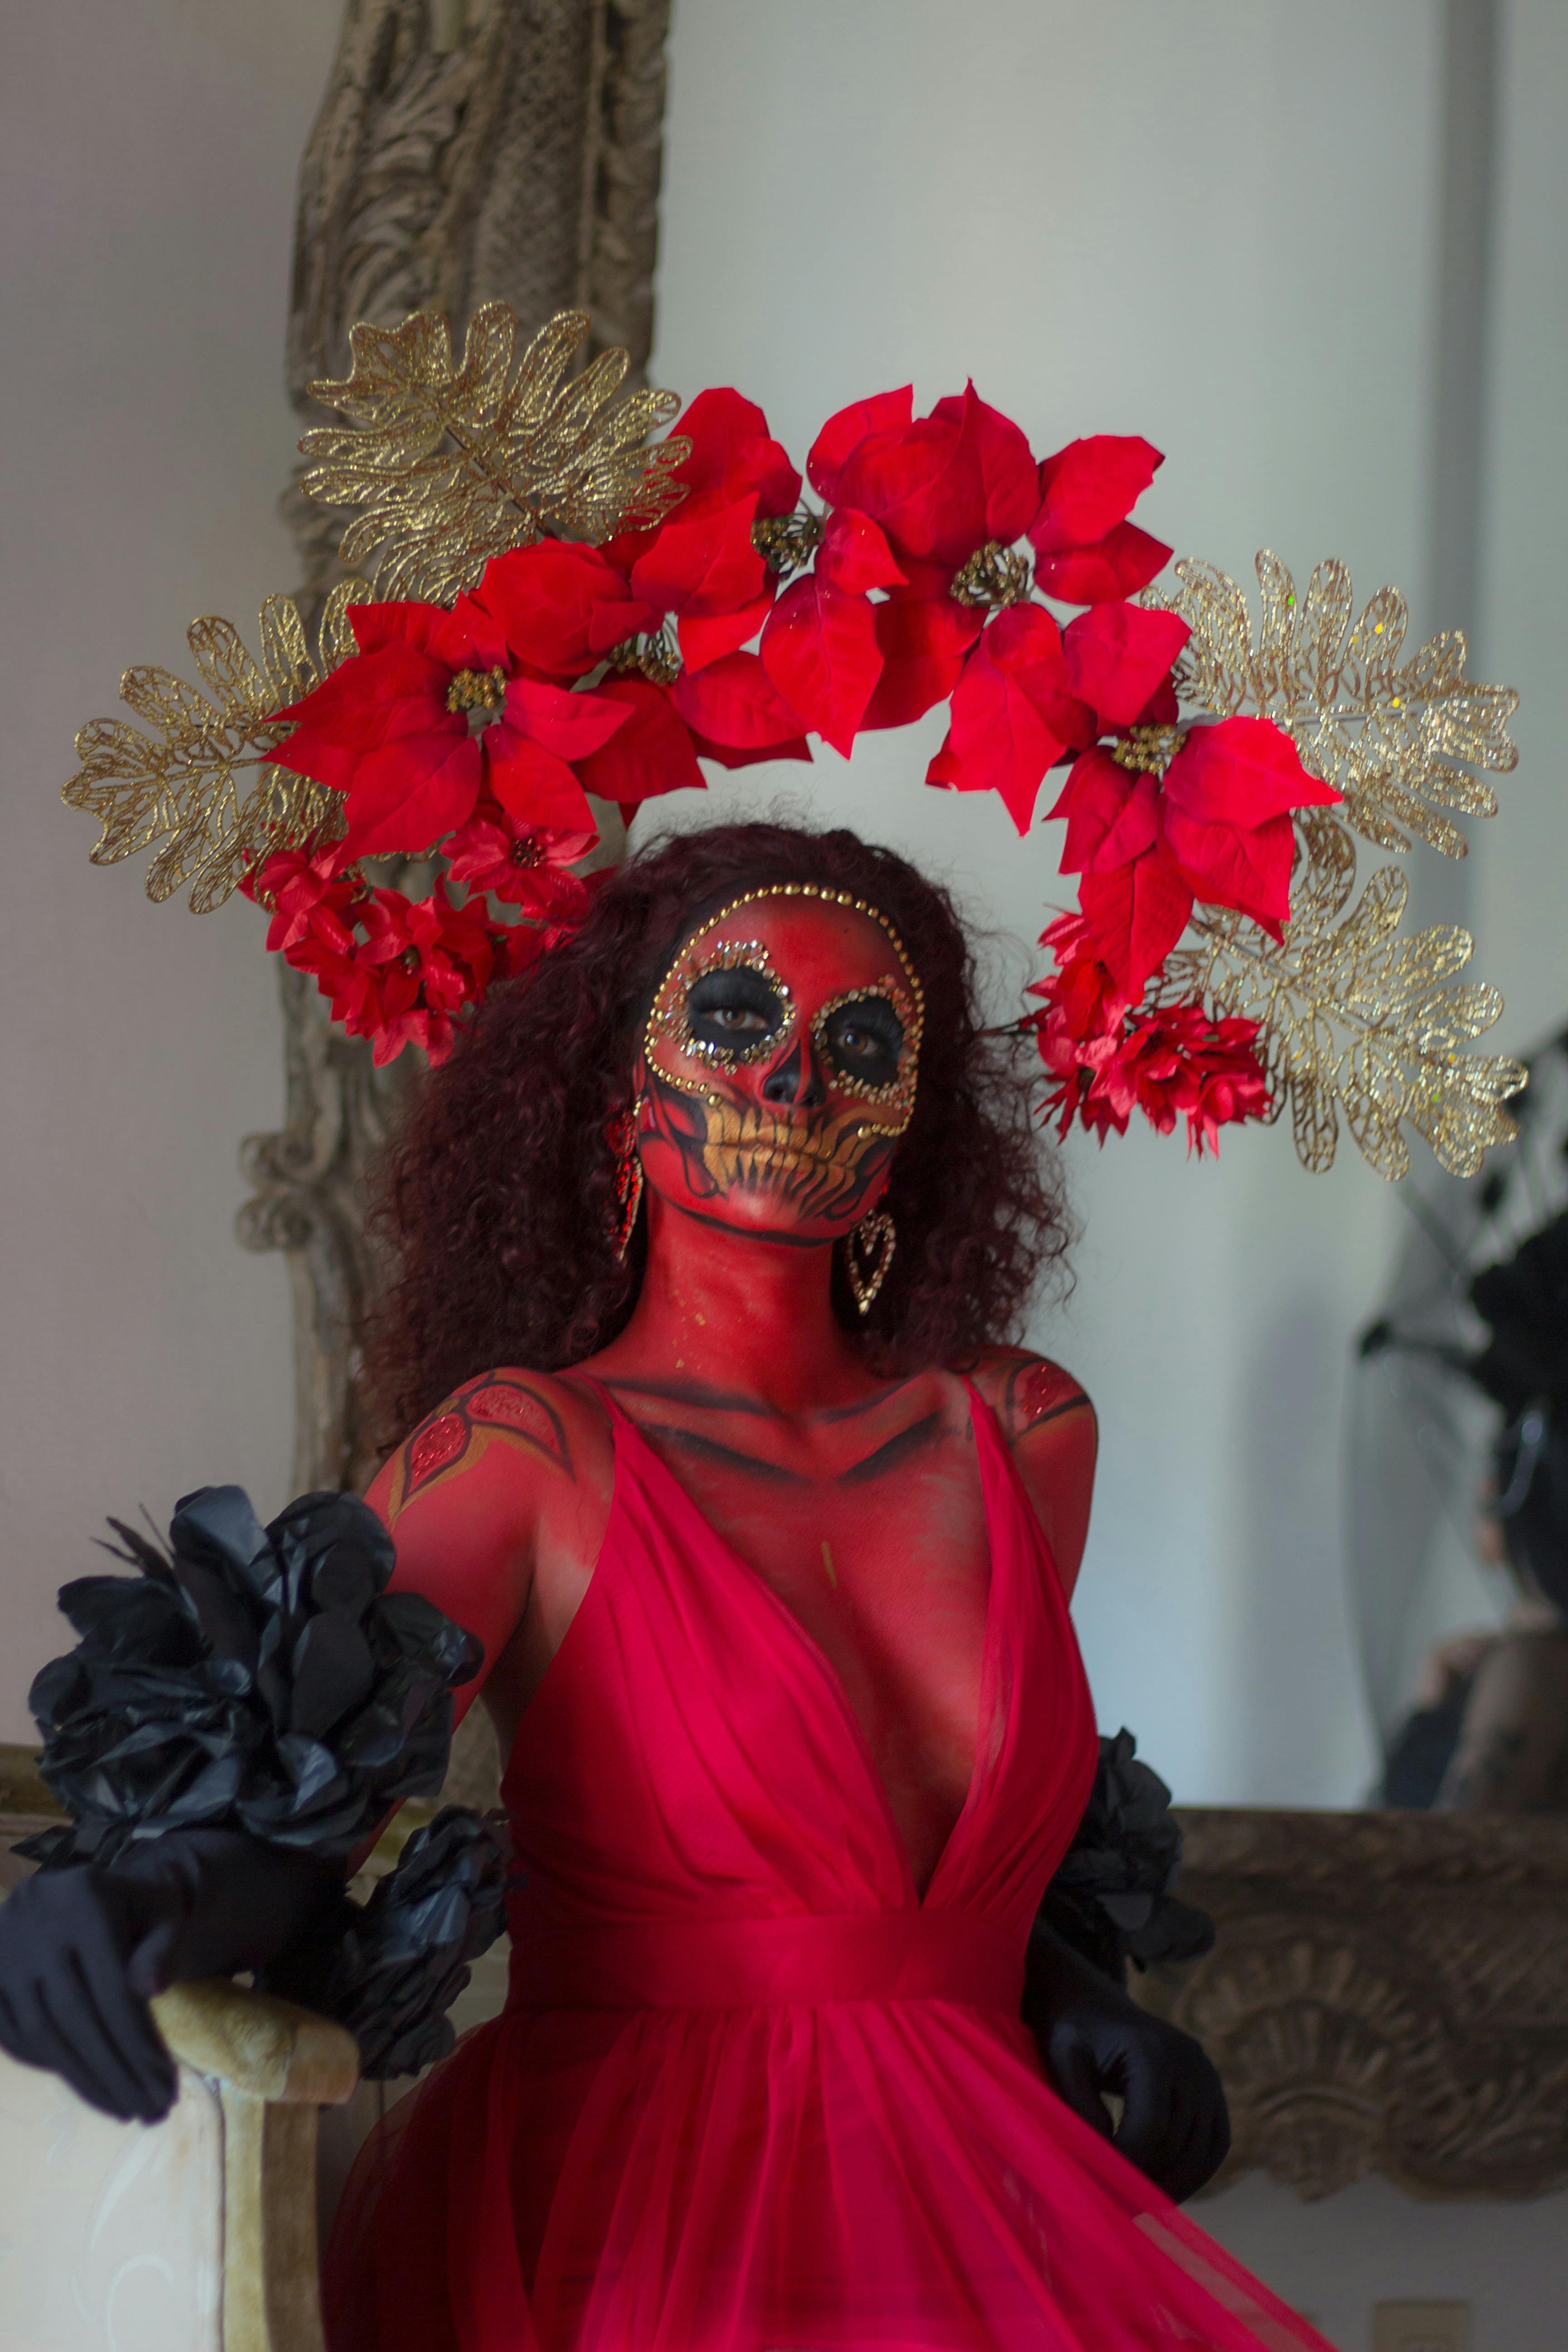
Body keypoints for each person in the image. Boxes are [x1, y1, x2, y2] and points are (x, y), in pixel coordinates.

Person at [0, 818, 1328, 2352]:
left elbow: (919, 1861)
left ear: (919, 1116)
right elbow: (305, 1822)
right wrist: (141, 1892)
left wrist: (1073, 1984)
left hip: (988, 2222)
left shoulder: (1024, 1432)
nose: (791, 1080)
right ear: (619, 1084)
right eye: (738, 1019)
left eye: (861, 1041)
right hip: (648, 2232)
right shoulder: (520, 1452)